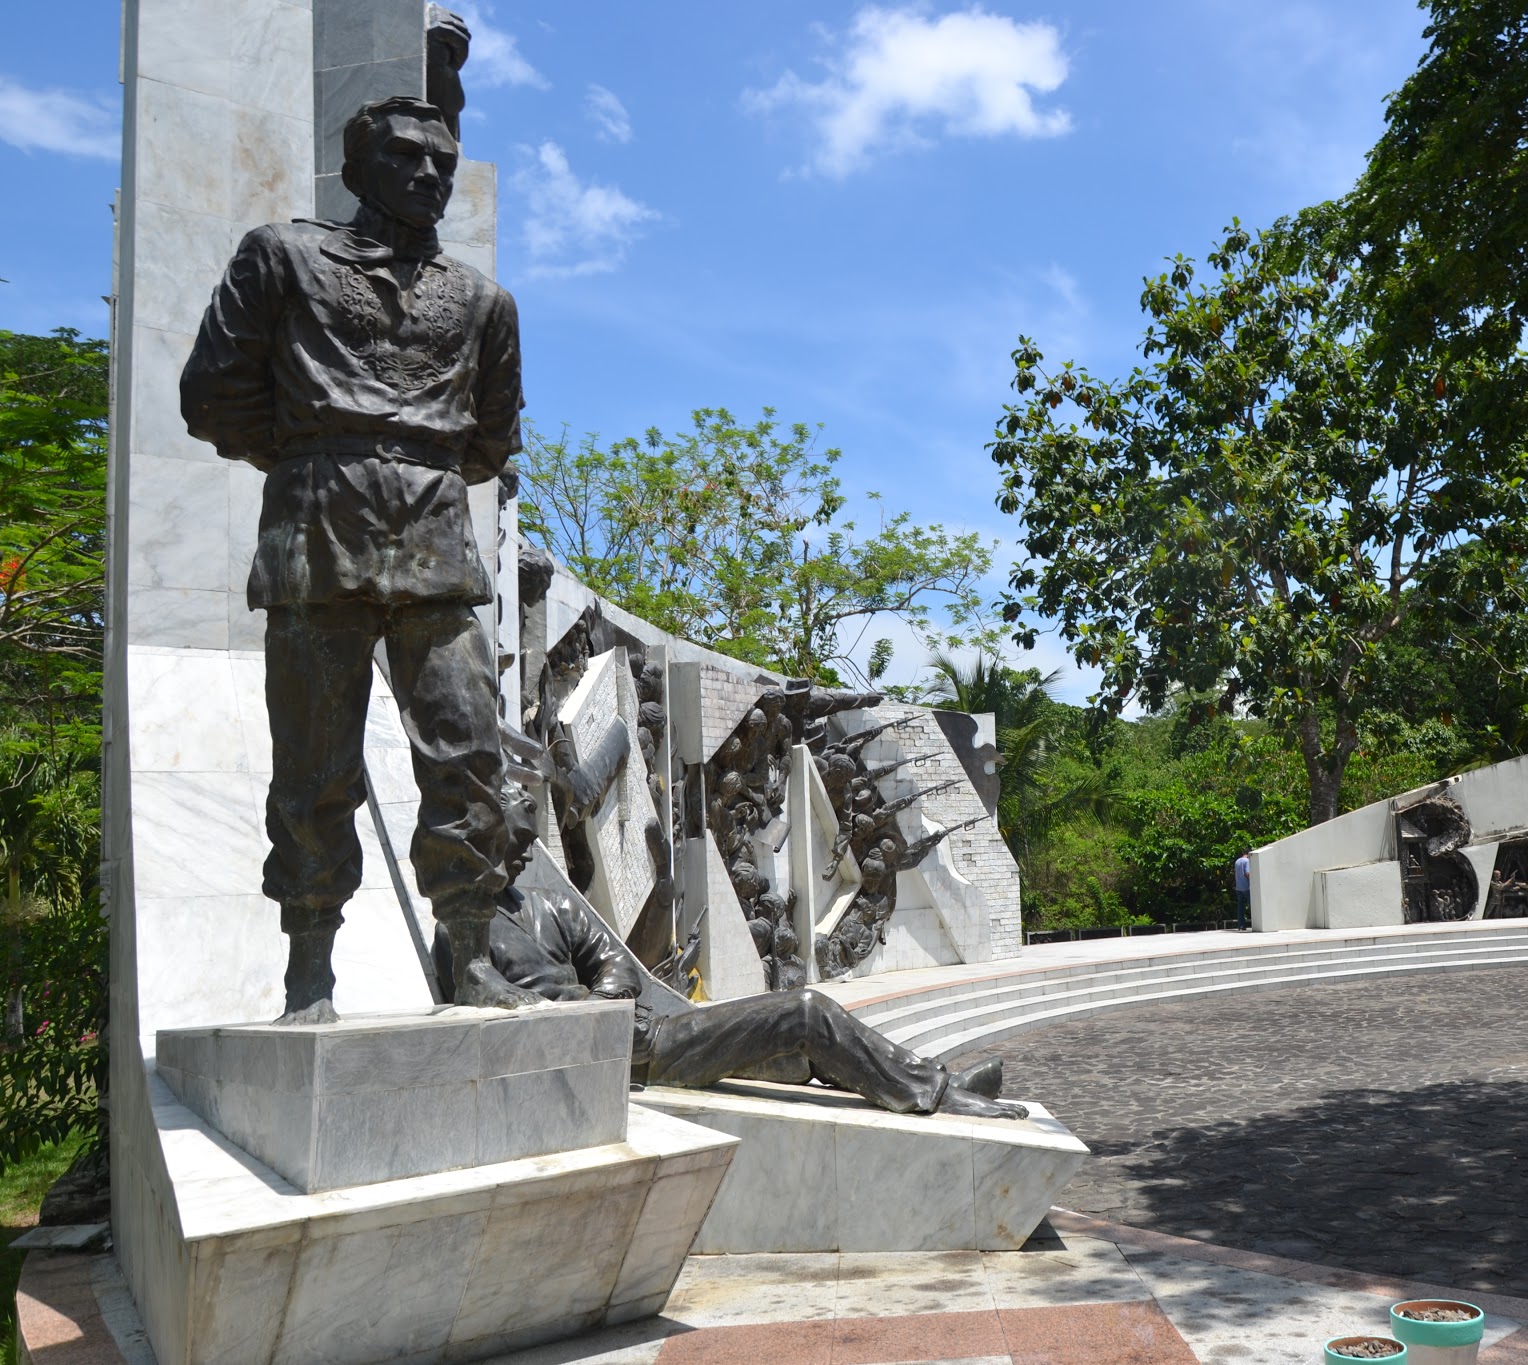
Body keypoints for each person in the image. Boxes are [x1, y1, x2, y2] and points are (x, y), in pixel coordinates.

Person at [181, 95, 531, 1024]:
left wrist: (402, 463)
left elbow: (491, 441)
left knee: (467, 753)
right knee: (313, 765)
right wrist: (312, 454)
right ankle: (309, 977)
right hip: (315, 532)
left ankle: (471, 958)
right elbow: (213, 395)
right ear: (357, 170)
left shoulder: (485, 302)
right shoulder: (282, 257)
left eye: (443, 165)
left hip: (437, 539)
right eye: (408, 158)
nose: (428, 176)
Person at [439, 787, 1028, 1120]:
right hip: (632, 1055)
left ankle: (934, 1085)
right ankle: (938, 1093)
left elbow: (616, 966)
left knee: (800, 1057)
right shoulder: (463, 933)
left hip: (649, 1031)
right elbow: (489, 1002)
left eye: (525, 841)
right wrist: (590, 1015)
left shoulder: (551, 905)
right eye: (514, 841)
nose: (521, 853)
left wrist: (603, 1000)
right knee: (805, 1012)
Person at [1233, 851, 1252, 930]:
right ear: (1248, 854)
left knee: (1240, 907)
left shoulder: (1237, 861)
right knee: (1252, 906)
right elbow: (1247, 873)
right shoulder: (1247, 861)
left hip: (1238, 887)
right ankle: (1255, 923)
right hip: (1246, 887)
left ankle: (1241, 925)